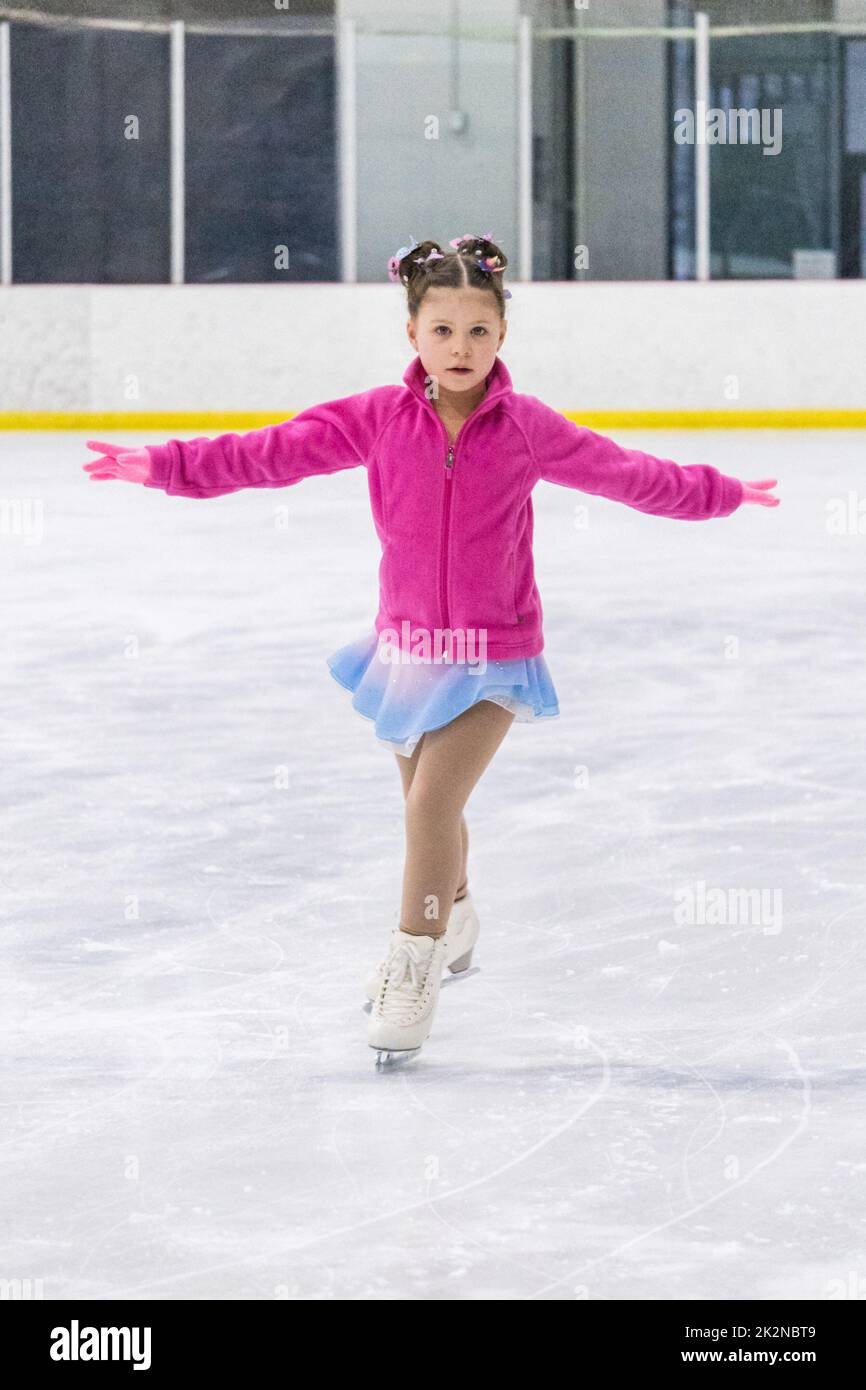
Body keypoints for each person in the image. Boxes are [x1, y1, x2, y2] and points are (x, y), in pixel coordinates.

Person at [82, 231, 780, 1065]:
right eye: (442, 330)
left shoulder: (526, 428)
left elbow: (627, 473)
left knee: (428, 808)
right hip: (409, 652)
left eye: (478, 331)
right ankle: (457, 913)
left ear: (503, 337)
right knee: (430, 809)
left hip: (494, 652)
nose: (461, 348)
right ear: (411, 333)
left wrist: (720, 492)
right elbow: (267, 452)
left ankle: (413, 963)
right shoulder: (376, 419)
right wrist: (164, 464)